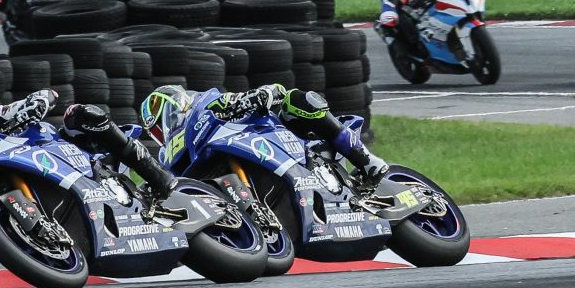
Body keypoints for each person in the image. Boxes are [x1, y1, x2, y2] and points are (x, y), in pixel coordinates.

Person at [0, 89, 178, 202]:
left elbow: (43, 96)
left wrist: (36, 103)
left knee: (80, 115)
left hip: (64, 151)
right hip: (27, 175)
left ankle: (157, 176)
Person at [145, 82, 393, 189]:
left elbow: (275, 90)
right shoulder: (170, 159)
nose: (164, 132)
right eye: (156, 132)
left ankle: (366, 160)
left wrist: (261, 95)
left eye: (165, 120)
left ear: (180, 104)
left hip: (284, 140)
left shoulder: (213, 104)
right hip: (219, 163)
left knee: (297, 100)